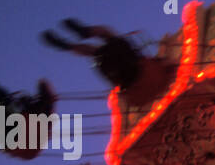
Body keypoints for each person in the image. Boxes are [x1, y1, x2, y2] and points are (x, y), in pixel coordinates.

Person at [42, 19, 172, 106]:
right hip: (123, 77)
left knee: (107, 35)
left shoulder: (159, 74)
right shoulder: (153, 88)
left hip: (132, 69)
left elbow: (162, 63)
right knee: (95, 52)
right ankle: (70, 45)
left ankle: (85, 33)